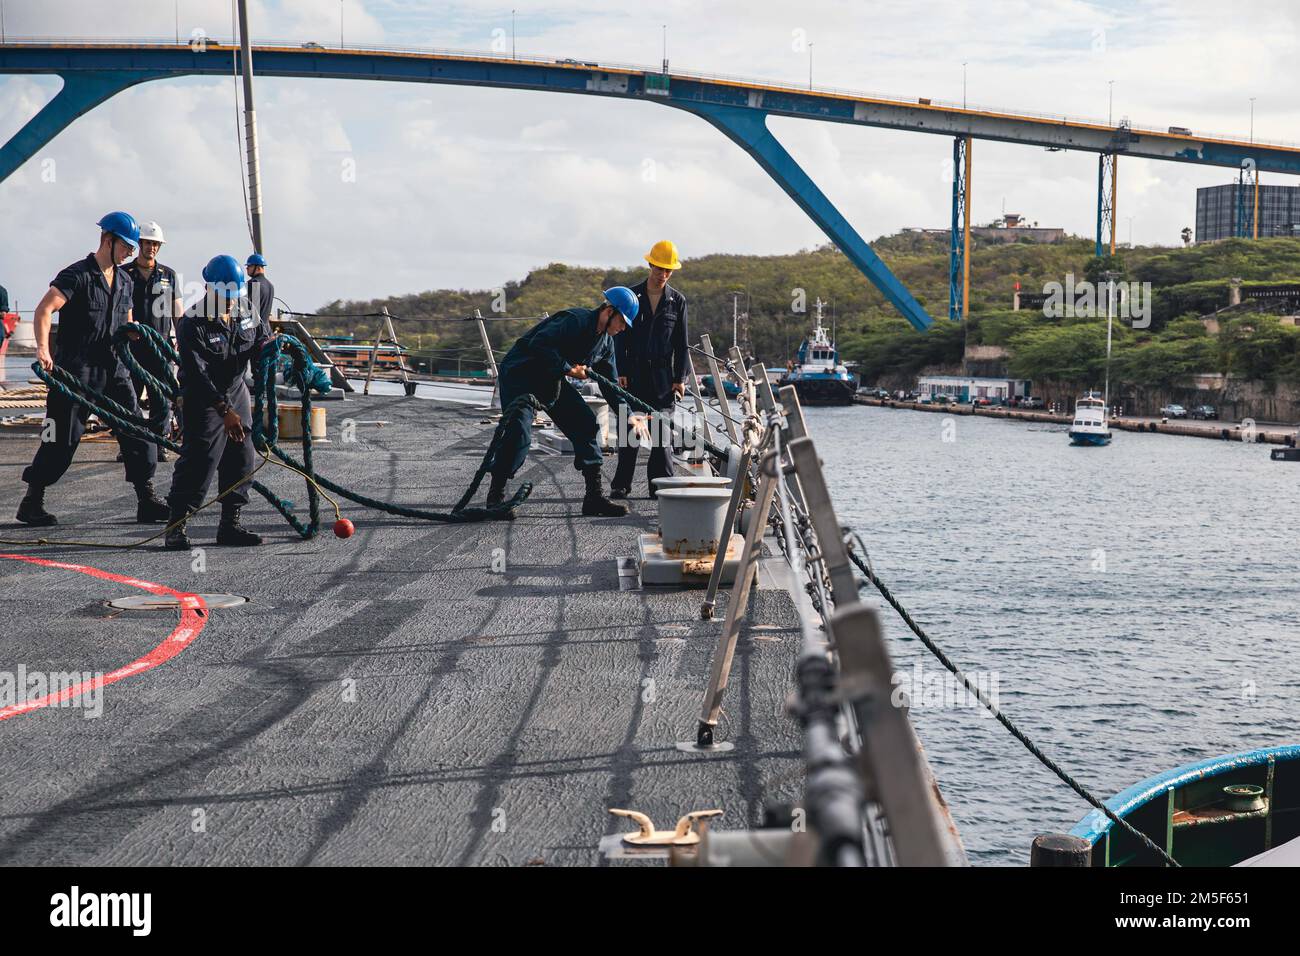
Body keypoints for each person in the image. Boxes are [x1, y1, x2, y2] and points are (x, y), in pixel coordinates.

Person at [15, 212, 168, 526]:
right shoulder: (77, 275)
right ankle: (33, 500)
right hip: (77, 372)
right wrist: (43, 349)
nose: (130, 251)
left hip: (116, 369)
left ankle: (146, 497)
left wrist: (133, 333)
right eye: (126, 245)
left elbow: (125, 319)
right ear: (107, 240)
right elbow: (45, 309)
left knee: (137, 430)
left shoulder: (124, 279)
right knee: (60, 439)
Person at [486, 287, 637, 517]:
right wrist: (568, 369)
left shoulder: (605, 344)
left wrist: (629, 415)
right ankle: (496, 495)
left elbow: (610, 385)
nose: (623, 328)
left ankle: (593, 497)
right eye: (622, 321)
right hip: (521, 375)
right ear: (608, 312)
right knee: (519, 432)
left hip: (550, 380)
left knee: (585, 424)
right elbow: (539, 344)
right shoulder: (574, 320)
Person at [165, 255, 275, 550]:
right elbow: (199, 375)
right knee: (201, 456)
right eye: (224, 296)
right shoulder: (191, 323)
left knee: (242, 455)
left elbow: (261, 341)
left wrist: (274, 349)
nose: (229, 302)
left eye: (233, 296)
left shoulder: (245, 311)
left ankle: (230, 524)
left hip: (236, 389)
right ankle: (176, 524)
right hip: (202, 395)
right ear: (208, 289)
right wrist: (224, 411)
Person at [611, 240, 689, 499]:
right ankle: (621, 484)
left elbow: (682, 343)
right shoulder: (632, 296)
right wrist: (620, 370)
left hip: (663, 377)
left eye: (668, 271)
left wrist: (680, 378)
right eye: (659, 269)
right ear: (650, 265)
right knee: (630, 429)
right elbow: (619, 337)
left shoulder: (677, 301)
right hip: (632, 374)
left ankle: (660, 487)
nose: (663, 275)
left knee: (660, 432)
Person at [124, 221, 182, 460]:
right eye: (148, 243)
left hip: (161, 347)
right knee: (129, 397)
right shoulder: (124, 274)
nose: (152, 248)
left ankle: (159, 445)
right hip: (132, 348)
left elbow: (176, 309)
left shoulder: (168, 275)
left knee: (161, 400)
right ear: (140, 244)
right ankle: (130, 446)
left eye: (156, 244)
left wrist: (181, 337)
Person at [245, 253, 275, 332]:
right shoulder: (270, 286)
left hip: (253, 334)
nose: (247, 268)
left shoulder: (252, 283)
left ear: (258, 268)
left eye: (249, 266)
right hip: (266, 332)